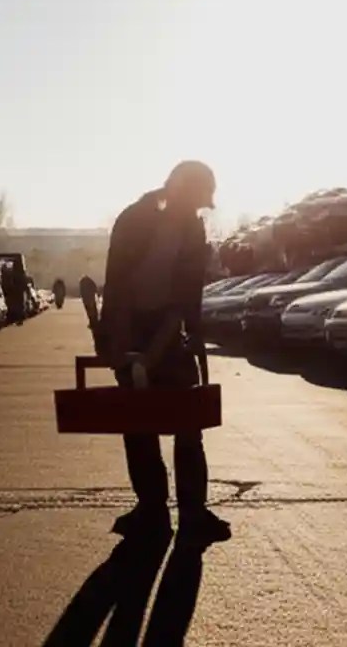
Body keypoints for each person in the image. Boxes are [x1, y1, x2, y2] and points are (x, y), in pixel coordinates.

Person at [97, 160, 231, 542]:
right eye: (199, 199)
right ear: (181, 189)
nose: (201, 209)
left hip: (173, 335)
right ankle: (151, 509)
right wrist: (117, 343)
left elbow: (186, 296)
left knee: (187, 422)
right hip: (130, 328)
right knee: (139, 425)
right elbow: (117, 286)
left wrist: (176, 341)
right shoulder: (134, 220)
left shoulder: (192, 227)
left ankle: (193, 512)